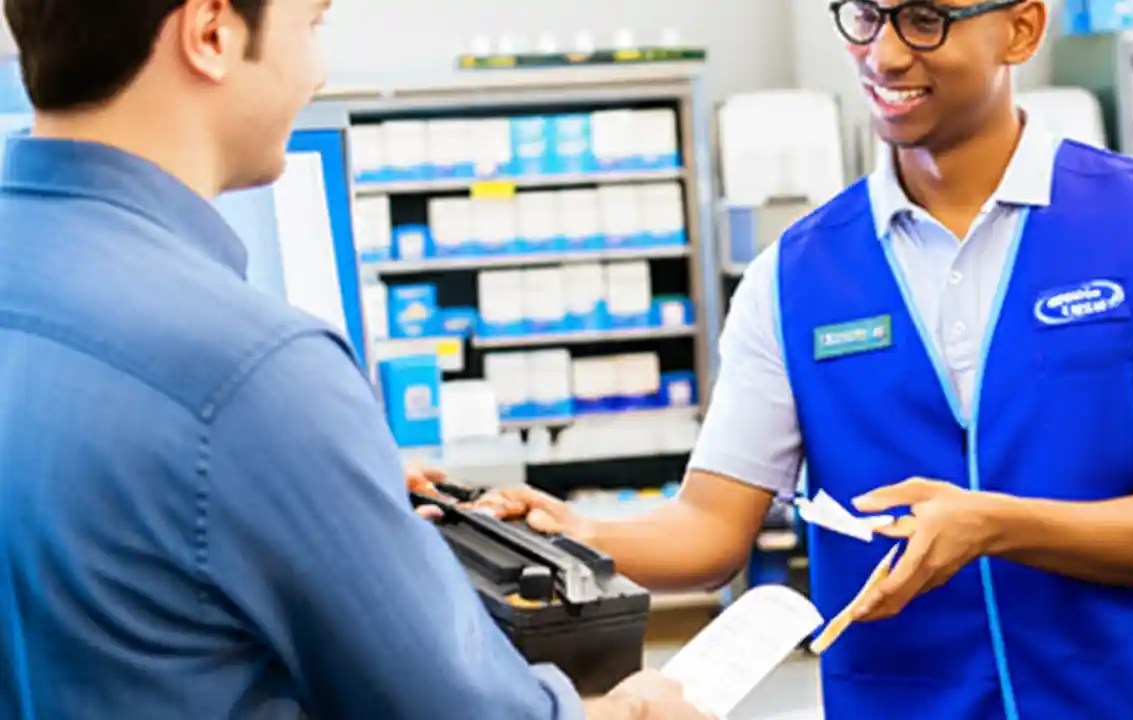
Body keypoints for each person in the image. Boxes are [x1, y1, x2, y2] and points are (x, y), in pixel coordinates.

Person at [474, 0, 1133, 718]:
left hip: (1129, 699)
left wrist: (995, 524)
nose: (885, 55)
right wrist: (573, 532)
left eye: (925, 18)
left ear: (1022, 28)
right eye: (865, 14)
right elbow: (712, 532)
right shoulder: (792, 277)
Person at [0, 2, 714, 719]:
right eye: (311, 26)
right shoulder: (257, 375)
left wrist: (322, 482)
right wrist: (633, 711)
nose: (318, 72)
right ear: (212, 31)